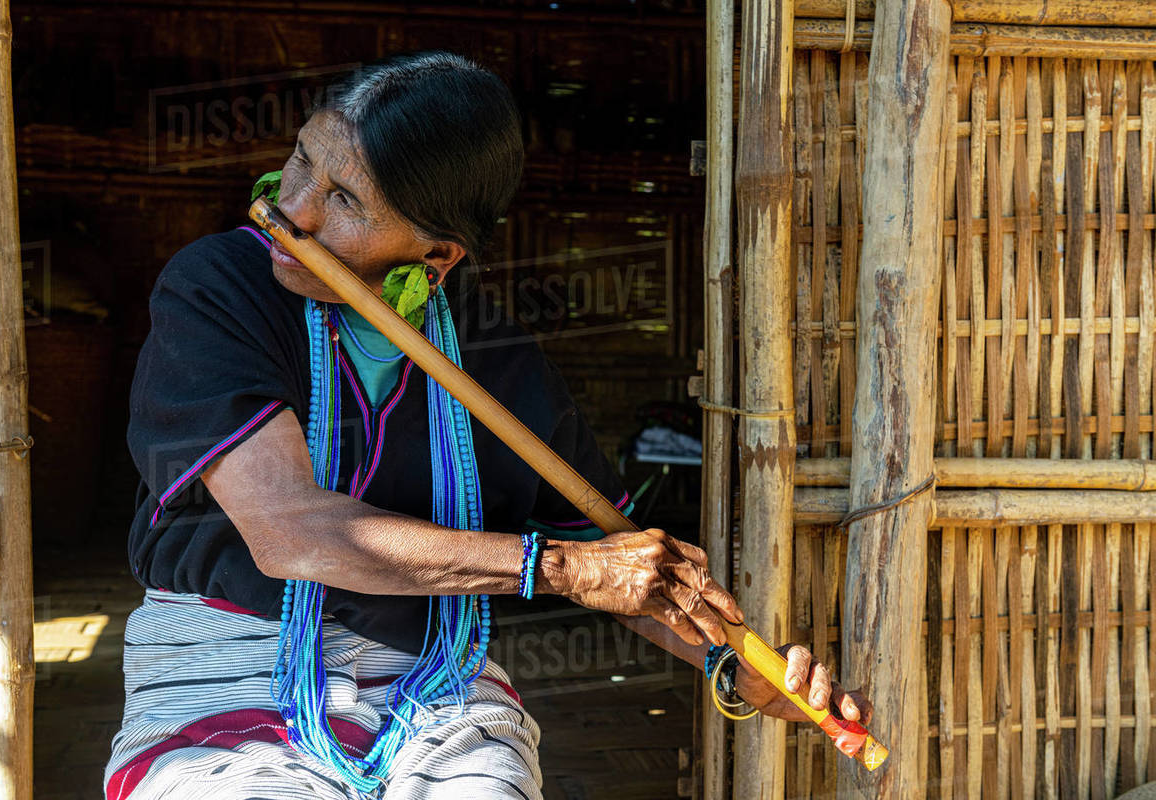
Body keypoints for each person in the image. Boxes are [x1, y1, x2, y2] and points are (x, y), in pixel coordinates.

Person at [106, 51, 870, 800]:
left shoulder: (496, 360)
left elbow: (624, 562)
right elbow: (289, 532)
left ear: (436, 254)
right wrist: (559, 569)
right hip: (227, 657)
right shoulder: (220, 286)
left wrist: (731, 665)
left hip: (435, 680)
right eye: (302, 159)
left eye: (344, 200)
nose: (293, 210)